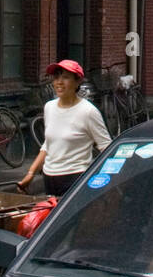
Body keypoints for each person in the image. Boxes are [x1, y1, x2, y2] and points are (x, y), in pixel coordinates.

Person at [17, 60, 111, 197]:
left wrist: (103, 180)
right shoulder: (49, 107)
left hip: (75, 178)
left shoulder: (88, 111)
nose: (59, 82)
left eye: (65, 77)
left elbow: (106, 147)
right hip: (49, 178)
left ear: (78, 81)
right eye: (56, 78)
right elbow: (48, 145)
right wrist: (31, 173)